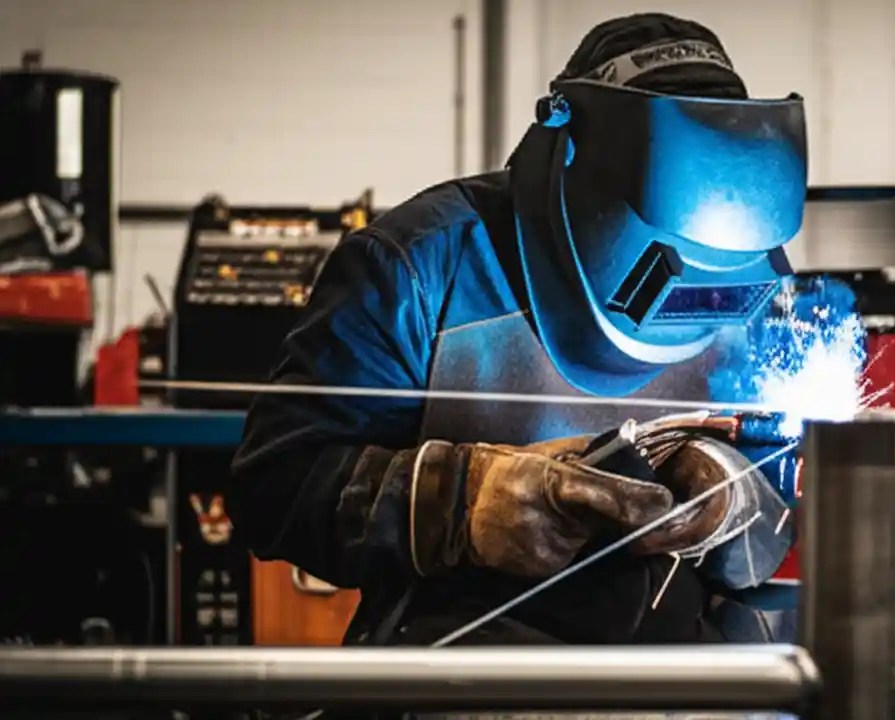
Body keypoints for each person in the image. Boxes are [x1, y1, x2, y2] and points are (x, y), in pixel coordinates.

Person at [229, 13, 807, 647]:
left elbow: (786, 485)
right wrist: (462, 502)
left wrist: (728, 500)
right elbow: (274, 486)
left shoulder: (759, 283)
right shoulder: (421, 267)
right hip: (461, 679)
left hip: (679, 679)